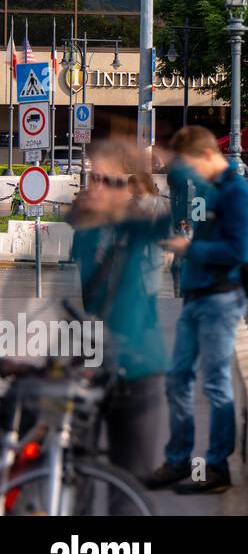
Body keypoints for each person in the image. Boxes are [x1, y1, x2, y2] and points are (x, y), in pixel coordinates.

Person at [143, 126, 248, 495]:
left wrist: (190, 250)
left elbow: (240, 251)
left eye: (190, 165)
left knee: (215, 383)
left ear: (207, 155)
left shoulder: (237, 193)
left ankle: (216, 466)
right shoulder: (212, 191)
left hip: (222, 299)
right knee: (177, 377)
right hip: (197, 297)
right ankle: (178, 460)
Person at [68, 139, 170, 489]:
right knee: (72, 475)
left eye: (105, 180)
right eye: (91, 177)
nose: (94, 186)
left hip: (137, 364)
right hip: (90, 359)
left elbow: (161, 225)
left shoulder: (141, 226)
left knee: (125, 485)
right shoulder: (85, 232)